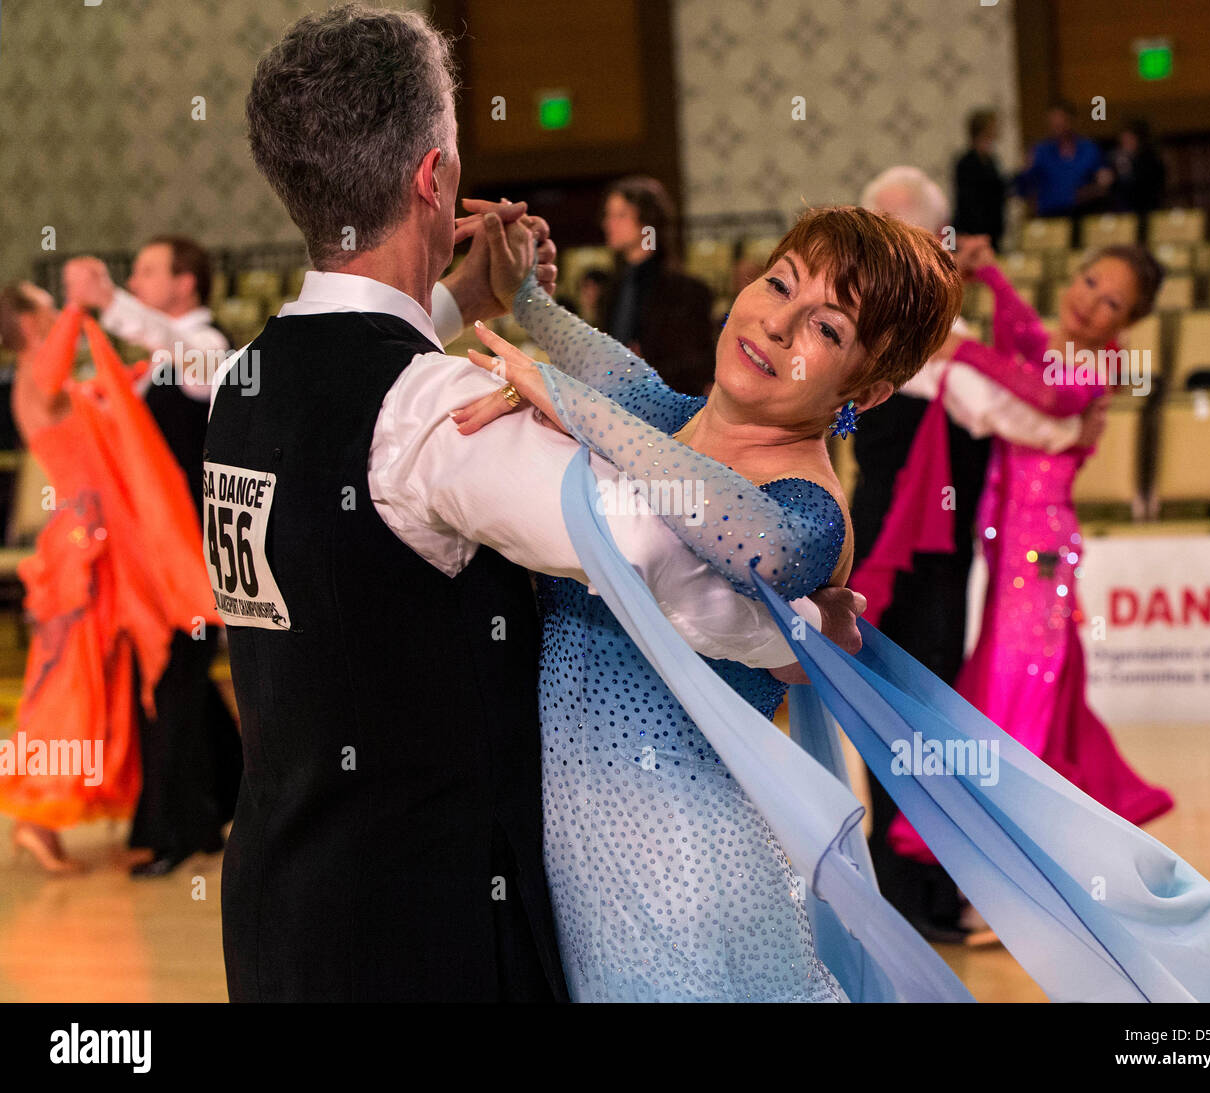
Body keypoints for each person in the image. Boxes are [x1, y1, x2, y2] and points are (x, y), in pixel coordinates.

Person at [210, 4, 865, 1003]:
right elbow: (650, 553)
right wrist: (804, 630)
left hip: (276, 906)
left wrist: (464, 302)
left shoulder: (244, 379)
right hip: (428, 932)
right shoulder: (439, 408)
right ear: (435, 178)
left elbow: (362, 390)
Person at [451, 204, 964, 1000]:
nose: (776, 324)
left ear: (869, 387)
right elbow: (589, 358)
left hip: (683, 872)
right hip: (585, 856)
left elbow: (741, 533)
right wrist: (519, 290)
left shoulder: (810, 512)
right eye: (777, 282)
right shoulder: (666, 419)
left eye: (826, 330)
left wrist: (560, 401)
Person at [850, 166, 1105, 942]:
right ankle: (909, 891)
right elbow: (1042, 414)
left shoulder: (931, 342)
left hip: (924, 558)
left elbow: (1030, 406)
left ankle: (917, 886)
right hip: (903, 559)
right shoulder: (922, 343)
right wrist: (1078, 420)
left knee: (909, 716)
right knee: (907, 717)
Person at [887, 240, 1174, 864]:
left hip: (1038, 554)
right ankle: (1039, 844)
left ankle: (1017, 847)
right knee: (1032, 678)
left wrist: (965, 349)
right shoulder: (1059, 349)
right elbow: (1026, 344)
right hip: (1012, 548)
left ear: (1127, 322)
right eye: (1091, 280)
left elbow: (1044, 393)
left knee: (1018, 683)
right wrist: (990, 274)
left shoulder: (1097, 369)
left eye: (1112, 302)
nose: (1091, 303)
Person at [0, 284, 217, 873]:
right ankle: (38, 818)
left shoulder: (59, 385)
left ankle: (51, 818)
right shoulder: (33, 381)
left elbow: (107, 387)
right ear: (27, 322)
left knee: (99, 680)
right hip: (82, 552)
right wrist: (81, 303)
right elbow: (59, 374)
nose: (54, 311)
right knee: (71, 681)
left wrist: (152, 361)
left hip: (105, 546)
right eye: (43, 304)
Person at [63, 238, 243, 877]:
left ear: (186, 283)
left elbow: (181, 352)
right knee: (179, 676)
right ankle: (226, 796)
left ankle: (176, 828)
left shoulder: (209, 349)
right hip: (152, 552)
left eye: (146, 269)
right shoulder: (161, 356)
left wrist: (108, 300)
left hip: (189, 552)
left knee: (172, 675)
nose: (135, 277)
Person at [600, 175, 716, 395]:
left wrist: (643, 366)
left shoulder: (687, 291)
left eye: (621, 215)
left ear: (647, 222)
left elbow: (699, 364)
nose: (608, 223)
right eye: (609, 215)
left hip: (669, 403)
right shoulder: (612, 288)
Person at [1015, 101, 1104, 218]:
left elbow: (1102, 181)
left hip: (1084, 213)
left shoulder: (1089, 148)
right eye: (1053, 121)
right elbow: (1023, 188)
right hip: (1050, 216)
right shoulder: (1040, 151)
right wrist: (1026, 170)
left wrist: (1092, 191)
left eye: (1061, 120)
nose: (1057, 125)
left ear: (1071, 121)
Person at [953, 109, 1007, 251]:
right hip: (972, 230)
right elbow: (967, 200)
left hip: (992, 228)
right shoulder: (965, 162)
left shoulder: (992, 161)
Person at [1105, 119, 1165, 215]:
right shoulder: (1114, 158)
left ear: (1140, 140)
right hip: (1121, 213)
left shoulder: (1151, 161)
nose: (1126, 143)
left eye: (1130, 139)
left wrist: (1127, 170)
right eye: (1124, 140)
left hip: (1146, 211)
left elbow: (1148, 190)